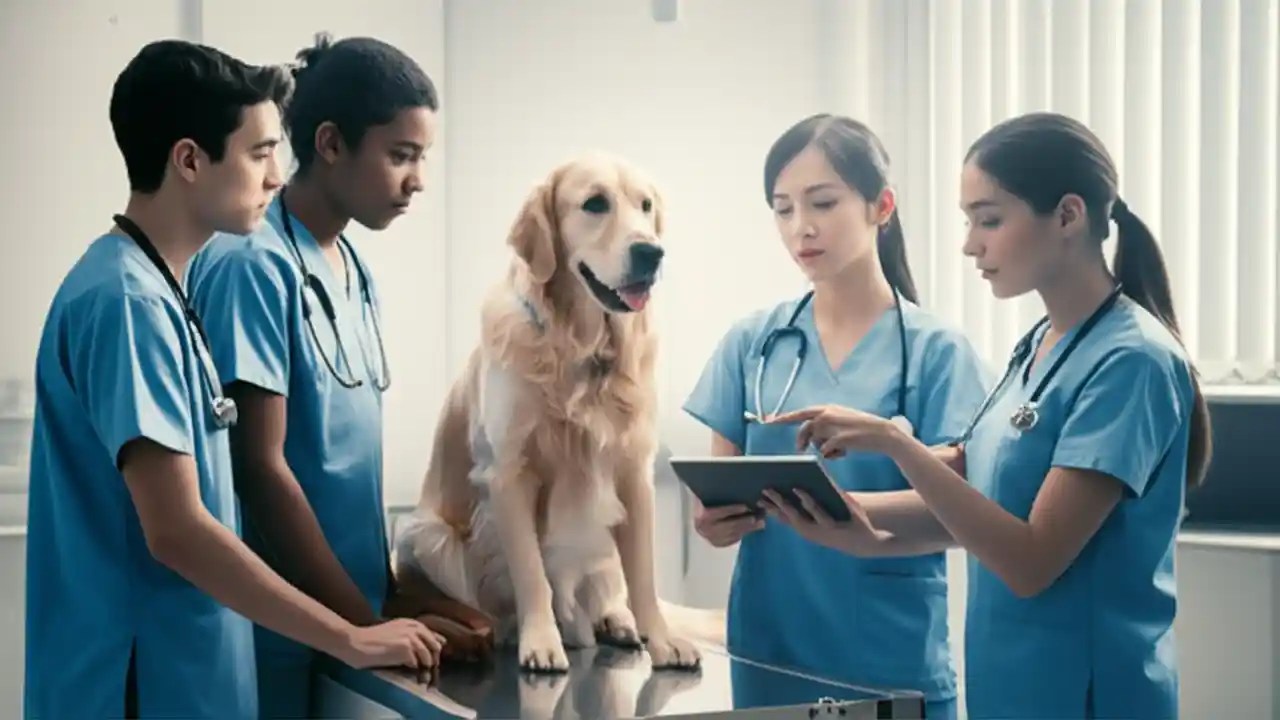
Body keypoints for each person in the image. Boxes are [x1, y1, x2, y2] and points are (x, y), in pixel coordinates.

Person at [23, 39, 441, 720]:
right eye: (259, 153)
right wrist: (350, 634)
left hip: (193, 675)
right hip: (136, 682)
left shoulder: (162, 294)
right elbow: (178, 530)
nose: (277, 177)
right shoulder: (124, 302)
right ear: (189, 160)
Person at [764, 111, 1213, 720]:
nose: (970, 242)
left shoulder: (1132, 362)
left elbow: (1030, 560)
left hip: (1094, 696)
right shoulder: (1040, 344)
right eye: (968, 220)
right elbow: (976, 488)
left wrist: (897, 445)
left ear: (1068, 216)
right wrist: (845, 516)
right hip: (1013, 691)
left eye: (989, 219)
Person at [185, 32, 487, 719]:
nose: (418, 179)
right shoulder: (250, 264)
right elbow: (261, 469)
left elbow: (344, 473)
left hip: (345, 630)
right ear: (329, 144)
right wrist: (363, 626)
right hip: (275, 634)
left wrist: (400, 600)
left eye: (423, 157)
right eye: (401, 155)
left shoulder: (352, 266)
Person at [681, 113, 991, 720]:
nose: (802, 227)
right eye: (783, 208)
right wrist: (714, 521)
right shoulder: (752, 343)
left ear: (882, 206)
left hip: (889, 656)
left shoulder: (937, 353)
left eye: (822, 202)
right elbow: (715, 498)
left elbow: (970, 513)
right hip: (770, 650)